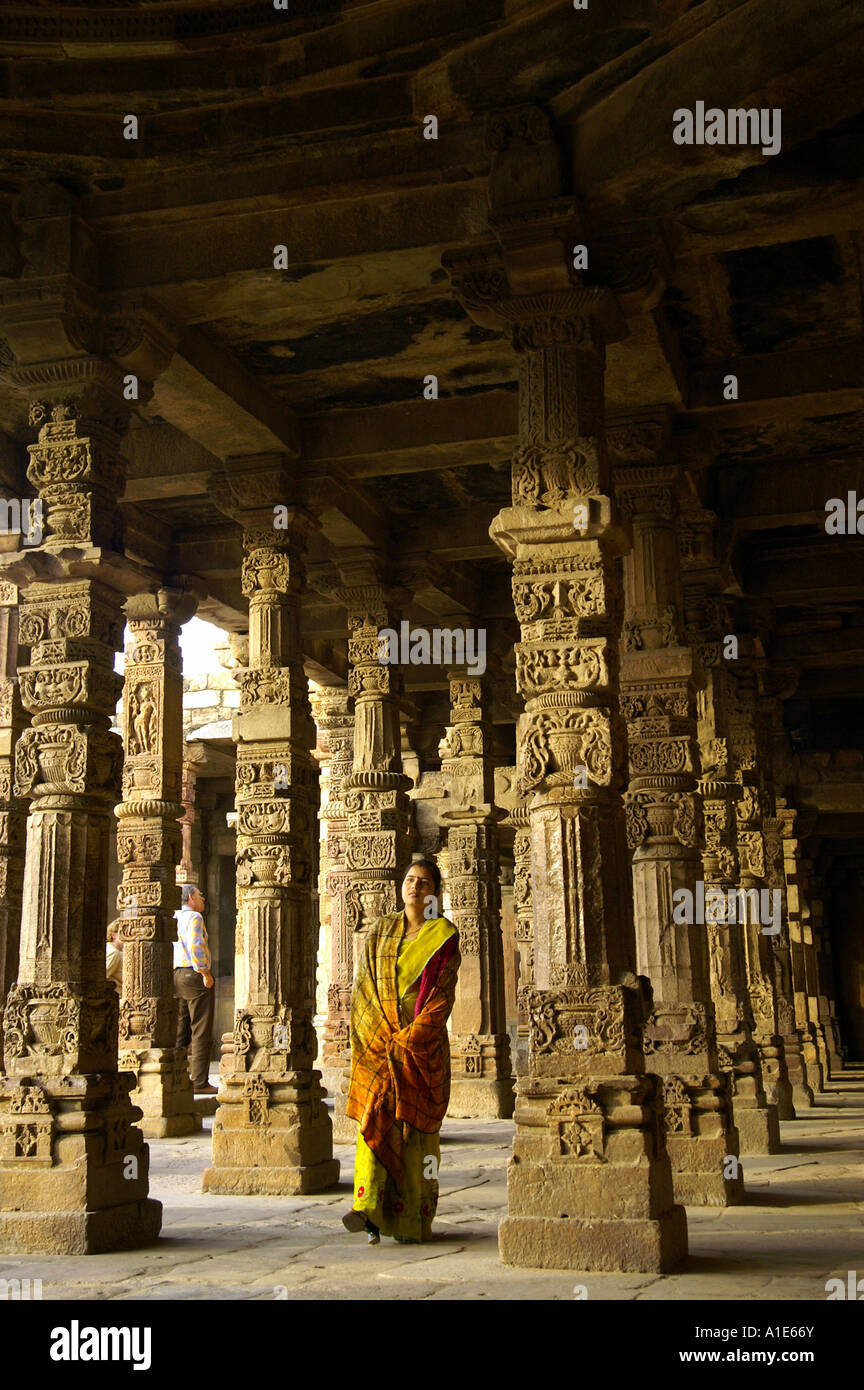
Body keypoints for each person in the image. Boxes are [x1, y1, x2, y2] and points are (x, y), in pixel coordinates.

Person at [342, 858, 460, 1245]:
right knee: (374, 1119)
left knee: (416, 1137)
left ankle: (413, 1219)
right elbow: (364, 989)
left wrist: (411, 1039)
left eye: (424, 882)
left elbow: (441, 996)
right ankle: (369, 1209)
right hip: (379, 1044)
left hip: (419, 1050)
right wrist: (379, 1037)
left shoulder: (443, 935)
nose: (415, 887)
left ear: (434, 893)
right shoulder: (381, 931)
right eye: (410, 880)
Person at [173, 883, 216, 1095]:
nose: (203, 899)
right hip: (193, 973)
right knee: (200, 1028)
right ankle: (199, 1081)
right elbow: (196, 946)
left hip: (177, 974)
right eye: (199, 895)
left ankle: (175, 1075)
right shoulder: (194, 918)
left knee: (181, 1028)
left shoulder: (175, 916)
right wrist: (205, 973)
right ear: (190, 897)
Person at [106, 921, 123, 993]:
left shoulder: (110, 948)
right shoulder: (114, 953)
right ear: (113, 935)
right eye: (122, 933)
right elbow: (102, 975)